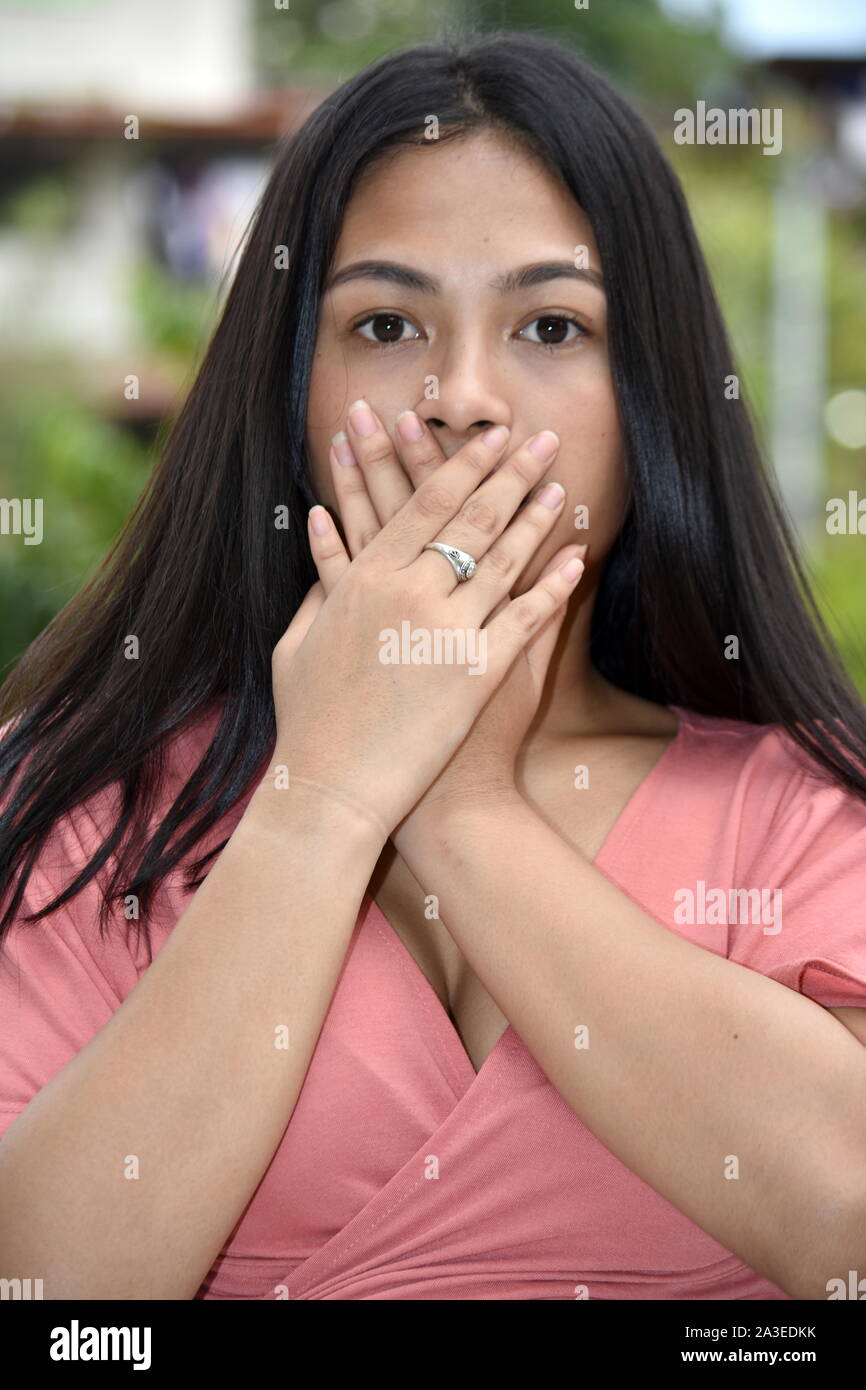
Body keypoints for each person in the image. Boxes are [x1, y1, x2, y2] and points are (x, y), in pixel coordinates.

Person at [1, 29, 865, 1302]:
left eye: (552, 325)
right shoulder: (87, 803)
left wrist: (460, 806)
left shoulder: (800, 816)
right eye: (388, 321)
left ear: (653, 401)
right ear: (290, 386)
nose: (460, 398)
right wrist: (325, 798)